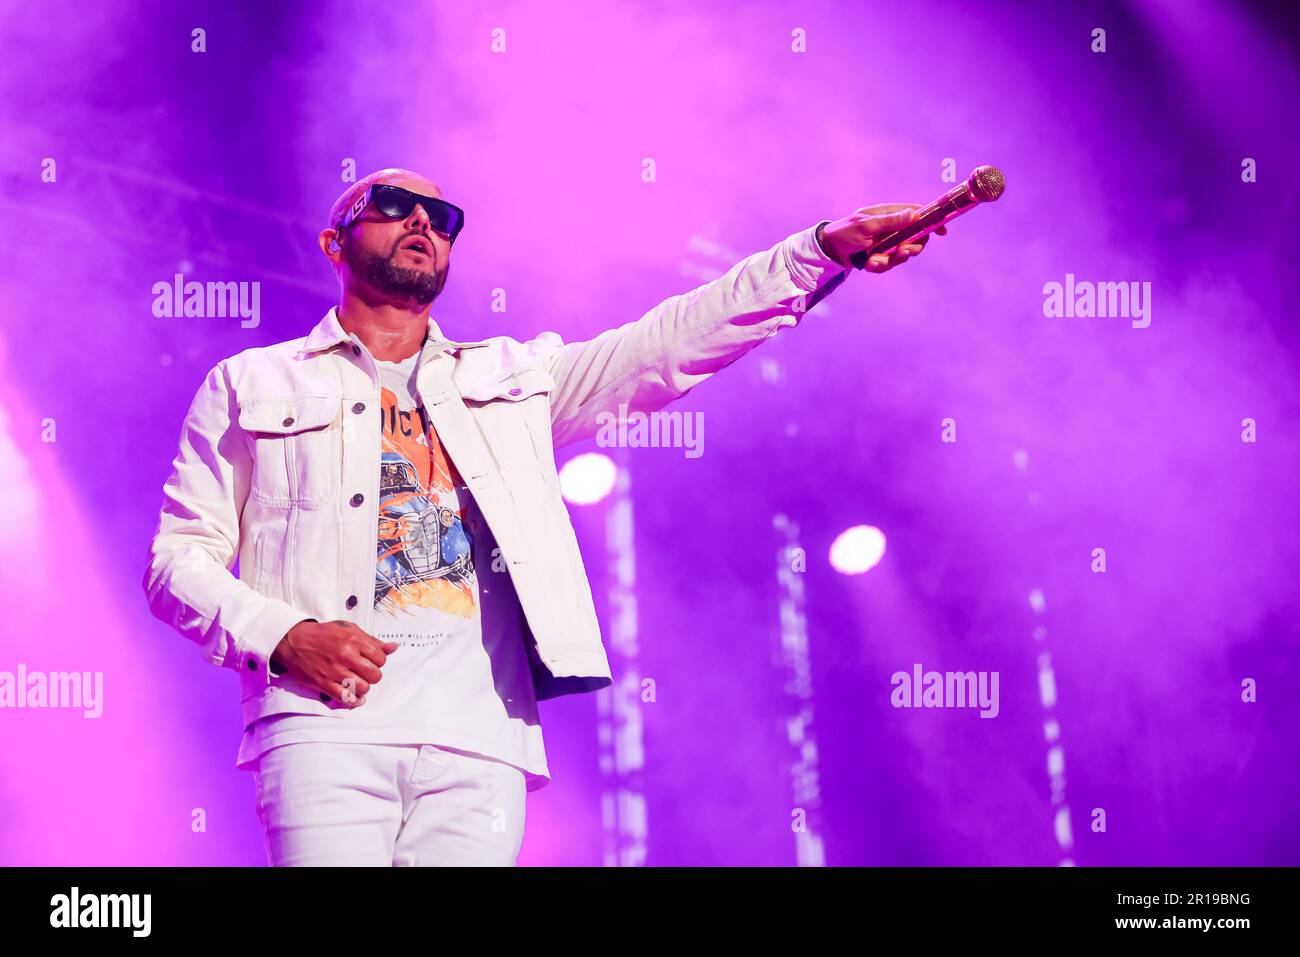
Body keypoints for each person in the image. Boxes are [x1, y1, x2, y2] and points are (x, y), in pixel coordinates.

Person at [142, 166, 942, 866]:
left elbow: (666, 342)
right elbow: (178, 561)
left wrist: (817, 251)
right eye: (392, 203)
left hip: (481, 739)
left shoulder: (512, 379)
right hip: (326, 728)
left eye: (443, 218)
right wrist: (283, 635)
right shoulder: (251, 381)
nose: (424, 221)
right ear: (333, 242)